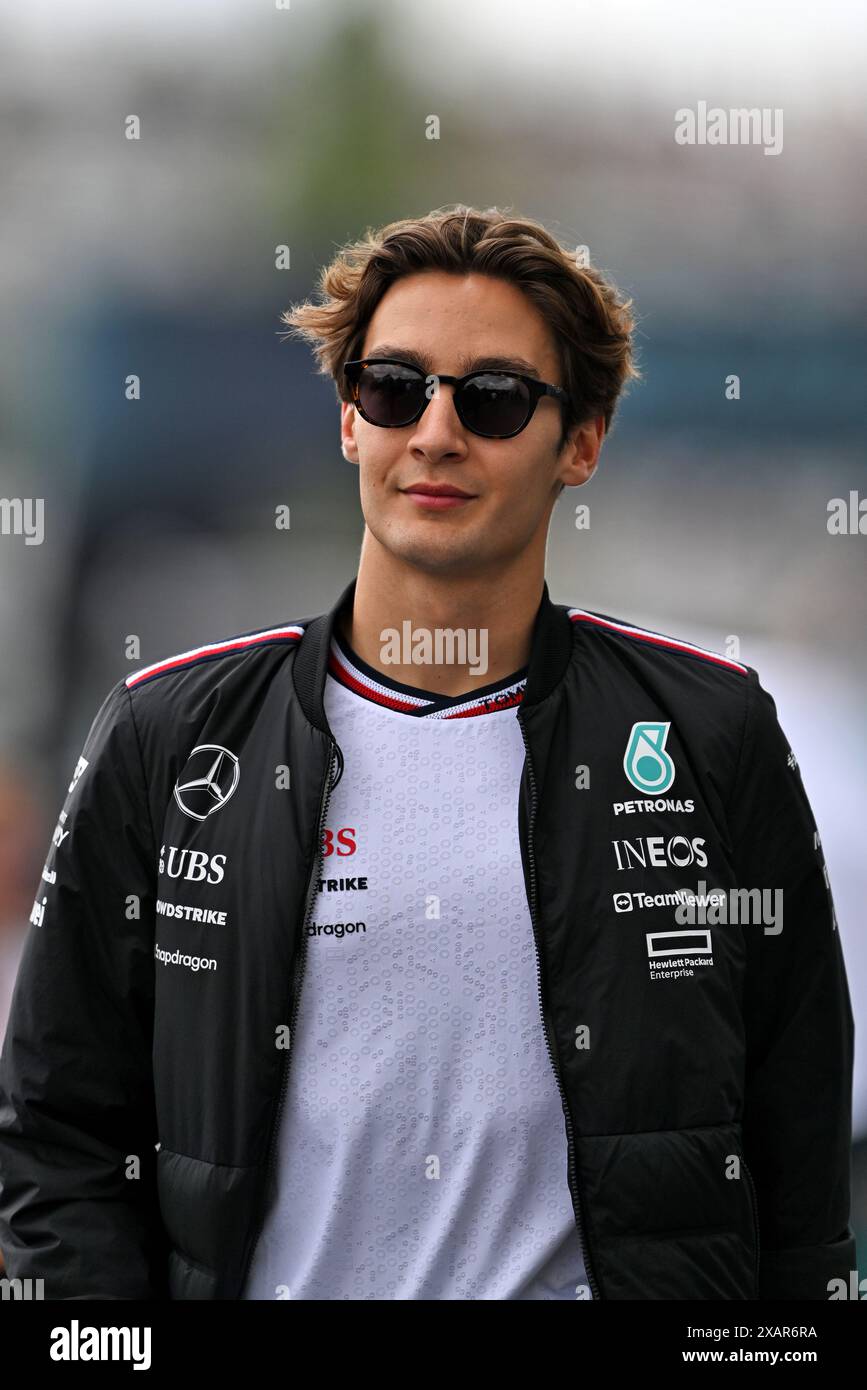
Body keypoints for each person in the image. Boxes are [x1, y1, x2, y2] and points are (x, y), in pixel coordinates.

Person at [0, 206, 855, 1300]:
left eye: (493, 399)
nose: (436, 433)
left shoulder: (711, 730)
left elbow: (800, 1161)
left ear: (581, 442)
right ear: (351, 421)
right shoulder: (169, 735)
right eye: (395, 388)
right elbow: (57, 1138)